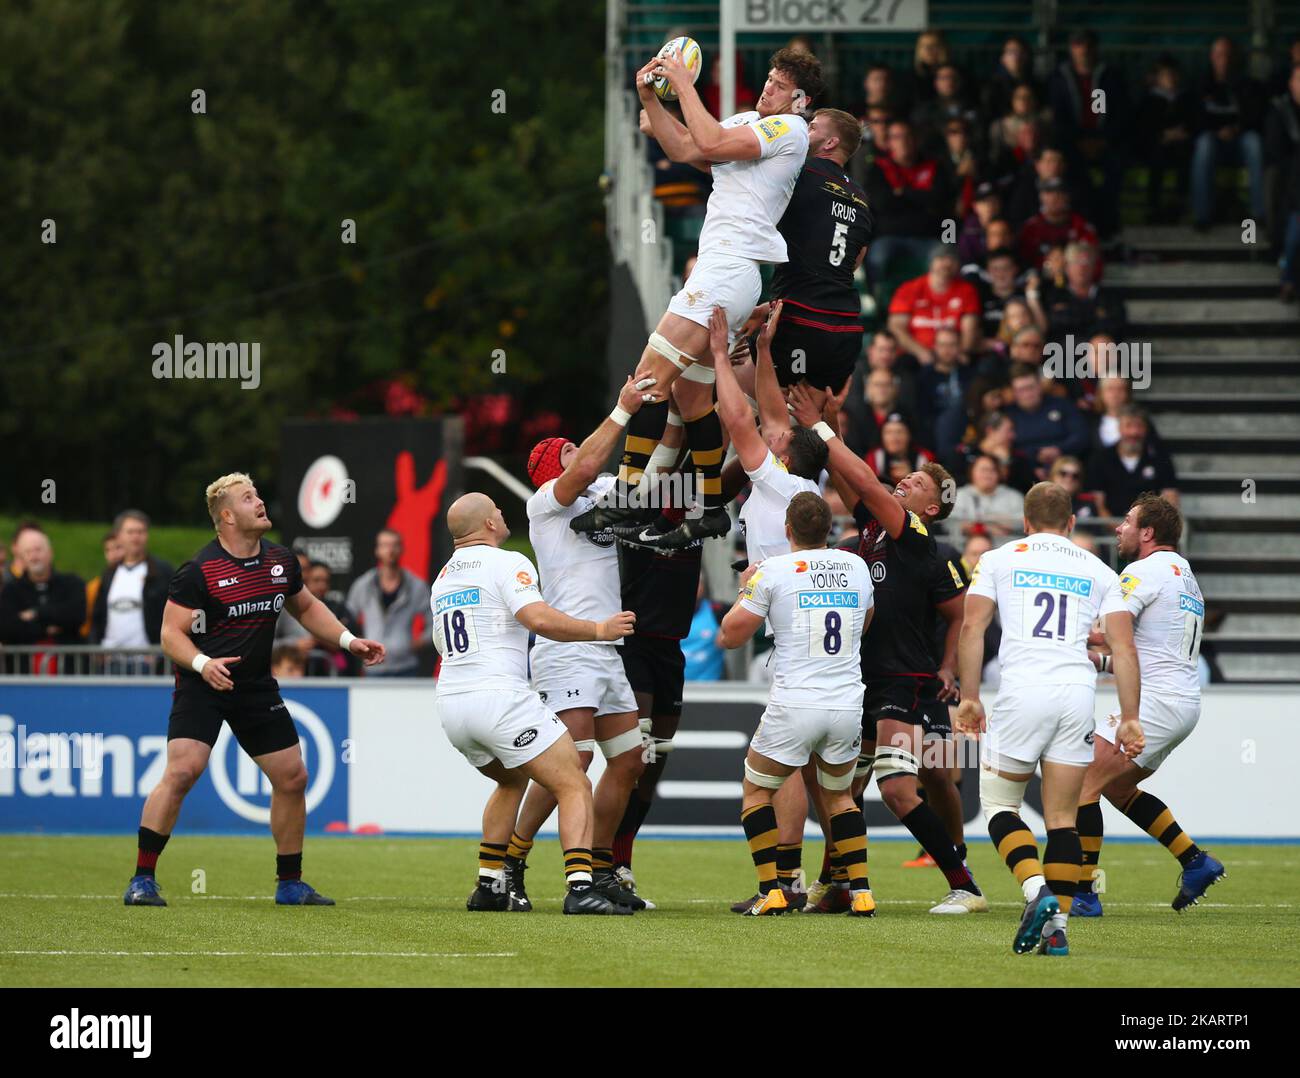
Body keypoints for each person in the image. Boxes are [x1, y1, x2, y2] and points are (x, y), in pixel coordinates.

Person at [574, 46, 824, 543]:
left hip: (729, 268)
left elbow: (706, 138)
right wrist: (651, 96)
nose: (767, 88)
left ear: (800, 100)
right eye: (769, 79)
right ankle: (709, 505)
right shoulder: (754, 120)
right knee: (690, 396)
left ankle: (625, 501)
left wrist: (683, 82)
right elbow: (688, 148)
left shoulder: (790, 129)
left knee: (648, 379)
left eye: (778, 84)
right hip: (723, 269)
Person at [123, 473, 387, 908]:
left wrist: (347, 640)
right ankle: (142, 878)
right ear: (227, 515)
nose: (260, 502)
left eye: (259, 494)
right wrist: (204, 664)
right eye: (249, 498)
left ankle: (290, 883)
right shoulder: (198, 570)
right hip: (202, 683)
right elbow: (171, 636)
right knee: (183, 771)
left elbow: (305, 606)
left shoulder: (281, 561)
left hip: (255, 686)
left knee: (292, 776)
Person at [789, 383, 988, 914]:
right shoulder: (875, 534)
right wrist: (828, 423)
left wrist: (822, 428)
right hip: (865, 681)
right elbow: (849, 478)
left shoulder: (915, 534)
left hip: (903, 681)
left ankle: (965, 885)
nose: (906, 480)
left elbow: (863, 480)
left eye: (917, 481)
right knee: (844, 795)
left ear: (931, 505)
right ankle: (837, 885)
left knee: (905, 788)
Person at [956, 481, 1143, 956]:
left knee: (1000, 806)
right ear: (1072, 523)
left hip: (1024, 691)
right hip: (1076, 694)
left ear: (1024, 521)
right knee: (1064, 818)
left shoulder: (998, 559)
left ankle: (1035, 892)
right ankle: (1055, 929)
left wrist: (971, 697)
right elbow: (1123, 647)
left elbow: (972, 626)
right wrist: (1130, 718)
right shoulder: (1100, 570)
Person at [431, 492, 636, 916]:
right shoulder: (509, 562)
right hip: (499, 699)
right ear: (488, 524)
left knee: (510, 781)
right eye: (498, 511)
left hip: (452, 706)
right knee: (573, 781)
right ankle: (581, 887)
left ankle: (490, 885)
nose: (504, 515)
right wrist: (599, 628)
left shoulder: (443, 576)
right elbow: (539, 619)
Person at [507, 377, 657, 912]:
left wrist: (682, 411)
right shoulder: (545, 502)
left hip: (605, 645)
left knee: (629, 760)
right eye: (569, 449)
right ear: (554, 467)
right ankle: (511, 862)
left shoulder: (598, 494)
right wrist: (622, 409)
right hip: (569, 645)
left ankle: (599, 868)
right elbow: (588, 467)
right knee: (570, 764)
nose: (583, 450)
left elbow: (653, 477)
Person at [717, 492, 877, 916]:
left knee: (756, 791)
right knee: (840, 796)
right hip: (847, 700)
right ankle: (861, 892)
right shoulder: (857, 565)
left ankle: (772, 890)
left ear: (787, 529)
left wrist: (744, 588)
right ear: (828, 529)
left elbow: (730, 636)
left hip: (796, 702)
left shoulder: (771, 571)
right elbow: (865, 623)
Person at [1075, 494, 1225, 915]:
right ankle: (1195, 861)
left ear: (1147, 532)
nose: (1118, 528)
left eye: (1126, 521)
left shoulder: (1143, 571)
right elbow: (1144, 648)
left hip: (1156, 701)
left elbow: (1108, 632)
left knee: (1083, 785)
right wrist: (1103, 660)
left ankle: (1084, 894)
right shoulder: (1184, 573)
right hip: (1182, 701)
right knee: (1118, 789)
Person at [754, 108, 873, 395]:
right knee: (813, 426)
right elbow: (856, 260)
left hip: (797, 317)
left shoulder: (800, 172)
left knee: (747, 406)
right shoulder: (862, 198)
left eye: (812, 127)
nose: (803, 132)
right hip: (844, 328)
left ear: (830, 143)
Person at [1047, 29, 1129, 238]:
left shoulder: (1108, 76)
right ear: (1071, 49)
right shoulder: (1059, 77)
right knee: (1076, 177)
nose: (1083, 50)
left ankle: (1109, 227)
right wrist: (1080, 141)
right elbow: (1059, 117)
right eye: (1078, 44)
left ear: (1095, 49)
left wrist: (1101, 140)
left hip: (1105, 141)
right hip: (1072, 143)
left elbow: (1116, 113)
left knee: (1115, 168)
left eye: (1087, 45)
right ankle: (1086, 226)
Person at [865, 121, 955, 284]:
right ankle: (878, 305)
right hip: (889, 238)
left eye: (908, 136)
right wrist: (921, 198)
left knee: (948, 252)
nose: (903, 141)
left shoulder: (934, 166)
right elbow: (882, 203)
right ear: (889, 142)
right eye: (897, 137)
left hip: (929, 237)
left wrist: (902, 192)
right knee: (877, 257)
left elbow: (939, 201)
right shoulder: (878, 169)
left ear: (916, 140)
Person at [1191, 37, 1266, 231]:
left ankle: (1259, 214)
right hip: (1213, 140)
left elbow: (1256, 115)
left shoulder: (1247, 84)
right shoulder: (1201, 84)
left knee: (1255, 143)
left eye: (1227, 55)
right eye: (1219, 55)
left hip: (1240, 139)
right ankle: (1202, 216)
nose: (1223, 60)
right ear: (1212, 57)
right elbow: (1194, 119)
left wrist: (1236, 129)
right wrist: (1217, 131)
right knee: (1204, 143)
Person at [91, 510, 174, 663]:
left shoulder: (162, 572)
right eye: (130, 532)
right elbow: (98, 615)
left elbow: (176, 615)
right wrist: (97, 649)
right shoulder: (109, 574)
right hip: (111, 661)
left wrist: (159, 652)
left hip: (148, 662)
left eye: (141, 532)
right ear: (119, 536)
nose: (136, 537)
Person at [345, 530, 429, 677]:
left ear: (402, 549)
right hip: (373, 667)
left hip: (406, 666)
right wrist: (359, 643)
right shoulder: (363, 585)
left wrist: (415, 644)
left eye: (394, 545)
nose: (390, 550)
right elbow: (347, 619)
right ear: (377, 550)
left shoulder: (416, 585)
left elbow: (435, 623)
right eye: (385, 545)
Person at [0, 529, 86, 671]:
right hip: (23, 674)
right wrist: (47, 627)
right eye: (28, 552)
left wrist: (36, 613)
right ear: (21, 559)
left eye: (38, 550)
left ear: (50, 553)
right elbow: (7, 628)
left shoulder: (72, 583)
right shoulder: (11, 590)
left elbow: (76, 615)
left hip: (68, 673)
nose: (34, 557)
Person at [887, 245, 981, 366]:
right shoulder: (909, 289)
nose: (947, 264)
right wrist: (920, 352)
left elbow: (969, 330)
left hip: (954, 355)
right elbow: (896, 328)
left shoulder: (967, 291)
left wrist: (959, 352)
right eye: (941, 258)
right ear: (930, 262)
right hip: (915, 355)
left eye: (952, 259)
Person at [1088, 405, 1179, 517]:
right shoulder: (1101, 458)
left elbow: (1170, 498)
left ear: (1146, 429)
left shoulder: (1159, 457)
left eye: (1139, 426)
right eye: (1128, 425)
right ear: (1119, 428)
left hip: (1150, 528)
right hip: (1109, 528)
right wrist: (1120, 530)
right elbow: (1098, 503)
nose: (1134, 432)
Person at [1136, 55, 1196, 223]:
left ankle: (1180, 202)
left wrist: (1183, 133)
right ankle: (1153, 205)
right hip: (1157, 145)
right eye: (1166, 74)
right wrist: (1163, 135)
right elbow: (1143, 127)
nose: (1171, 78)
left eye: (1174, 74)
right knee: (1157, 156)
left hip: (1183, 144)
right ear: (1157, 78)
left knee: (1186, 153)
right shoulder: (1149, 100)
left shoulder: (1187, 98)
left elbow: (1196, 121)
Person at [1005, 363, 1090, 481]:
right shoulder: (1009, 414)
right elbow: (1007, 446)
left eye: (1030, 387)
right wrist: (1034, 456)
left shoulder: (1061, 405)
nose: (1027, 394)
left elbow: (1081, 435)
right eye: (1021, 390)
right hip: (1025, 472)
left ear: (1039, 385)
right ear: (1013, 392)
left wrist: (1059, 449)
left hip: (1066, 468)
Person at [277, 561, 360, 675]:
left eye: (326, 581)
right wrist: (294, 644)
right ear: (305, 580)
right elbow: (269, 642)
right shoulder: (285, 606)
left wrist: (322, 634)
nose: (321, 586)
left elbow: (341, 640)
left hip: (332, 676)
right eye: (316, 580)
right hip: (296, 675)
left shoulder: (338, 608)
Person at [1265, 62, 1300, 302]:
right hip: (1291, 188)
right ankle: (1288, 279)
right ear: (1291, 84)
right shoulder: (1280, 111)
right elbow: (1279, 154)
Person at [949, 453, 1026, 537]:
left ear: (999, 474)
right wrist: (987, 528)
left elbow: (1023, 523)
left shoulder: (1014, 497)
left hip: (1005, 545)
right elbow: (950, 523)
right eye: (983, 470)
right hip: (967, 546)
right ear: (972, 472)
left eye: (992, 470)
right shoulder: (959, 496)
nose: (987, 474)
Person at [81, 531, 123, 640]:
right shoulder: (95, 586)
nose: (113, 554)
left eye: (118, 547)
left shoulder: (144, 578)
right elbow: (94, 619)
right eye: (108, 550)